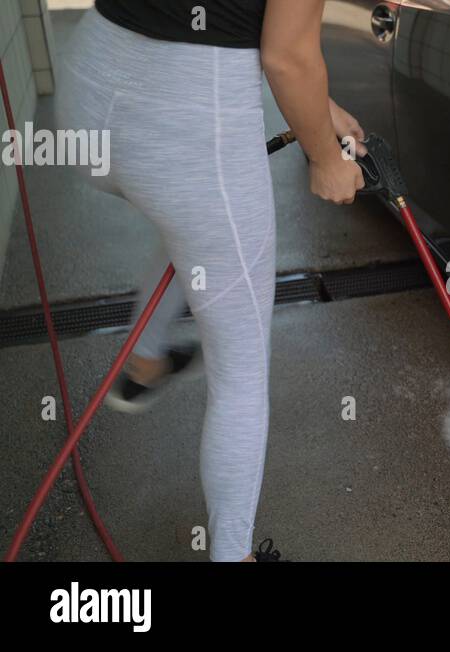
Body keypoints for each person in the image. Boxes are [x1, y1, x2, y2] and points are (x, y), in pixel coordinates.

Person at [55, 0, 364, 562]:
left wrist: (317, 110)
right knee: (242, 368)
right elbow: (287, 55)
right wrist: (325, 157)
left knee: (196, 235)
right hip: (185, 117)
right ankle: (233, 555)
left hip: (89, 90)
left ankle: (146, 359)